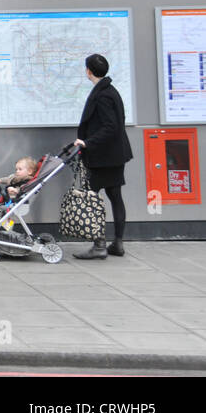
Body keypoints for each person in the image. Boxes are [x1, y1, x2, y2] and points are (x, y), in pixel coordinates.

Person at [73, 53, 133, 259]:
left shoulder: (103, 95)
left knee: (92, 198)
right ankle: (117, 243)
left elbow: (110, 127)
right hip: (115, 155)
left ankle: (99, 245)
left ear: (88, 71)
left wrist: (87, 142)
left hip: (103, 157)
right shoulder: (110, 91)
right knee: (115, 196)